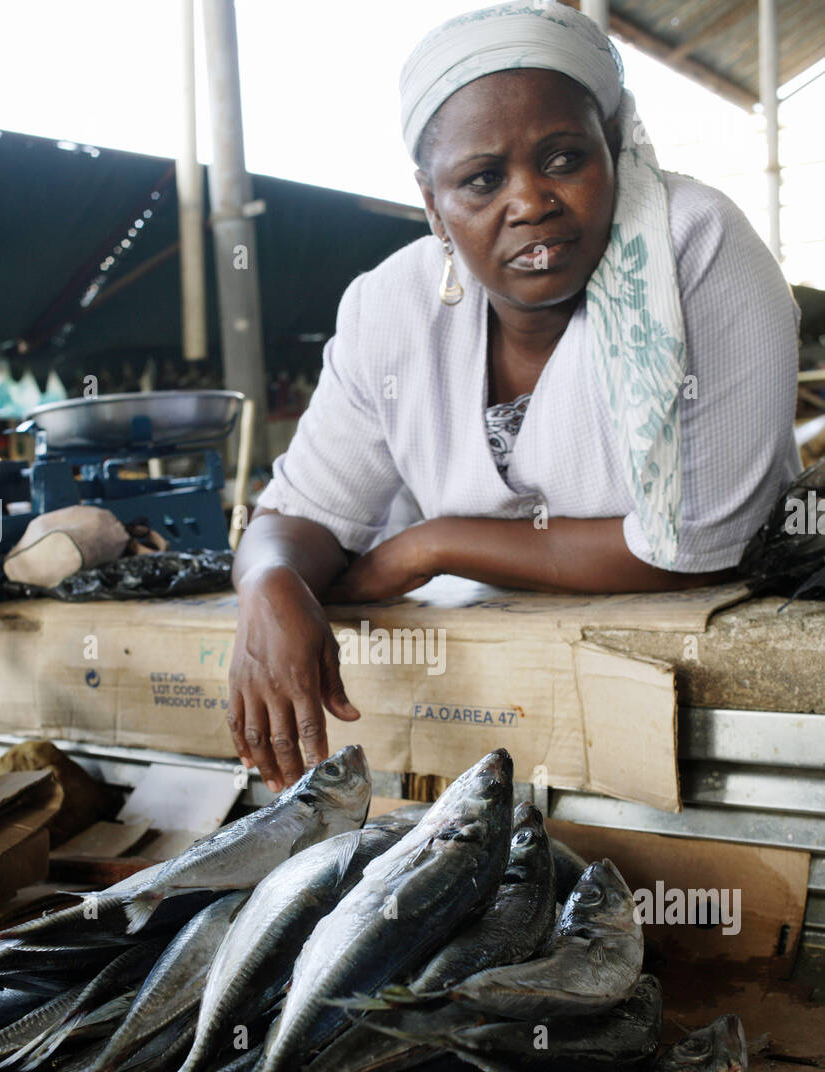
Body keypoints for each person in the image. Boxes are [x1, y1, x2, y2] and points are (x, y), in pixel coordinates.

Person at [228, 1, 800, 793]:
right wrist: (269, 584)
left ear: (613, 147)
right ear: (432, 203)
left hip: (699, 717)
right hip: (478, 716)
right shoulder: (389, 307)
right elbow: (301, 516)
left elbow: (705, 542)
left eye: (565, 158)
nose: (530, 201)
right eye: (482, 179)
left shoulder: (692, 249)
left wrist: (435, 543)